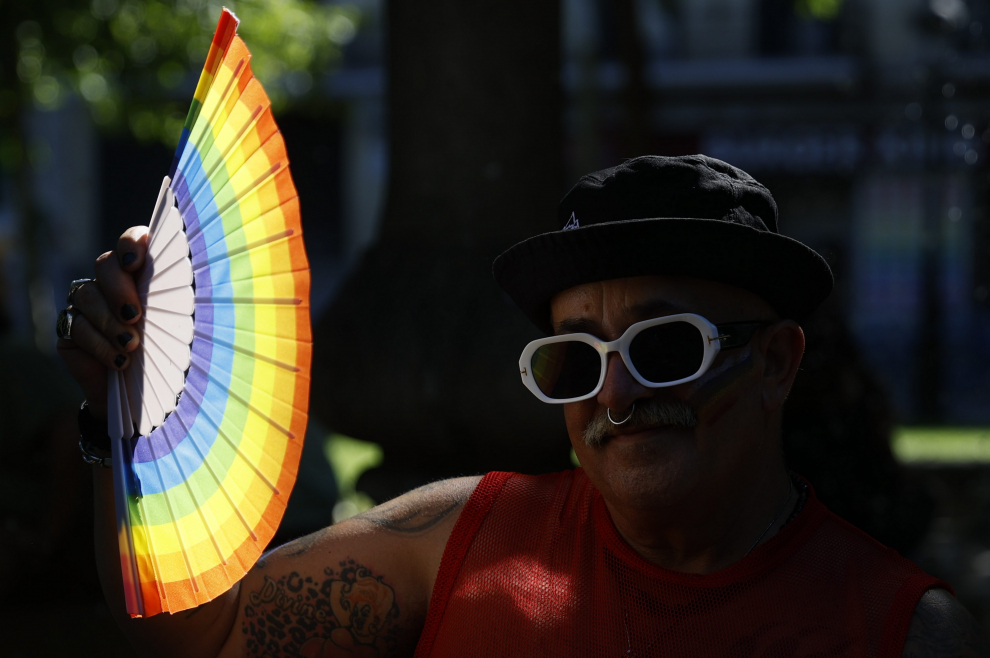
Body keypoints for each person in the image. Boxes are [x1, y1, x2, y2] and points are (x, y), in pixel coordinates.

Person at [57, 155, 987, 657]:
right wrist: (124, 405)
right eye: (574, 361)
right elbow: (193, 637)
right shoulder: (461, 540)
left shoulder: (907, 633)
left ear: (780, 361)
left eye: (666, 348)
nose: (616, 395)